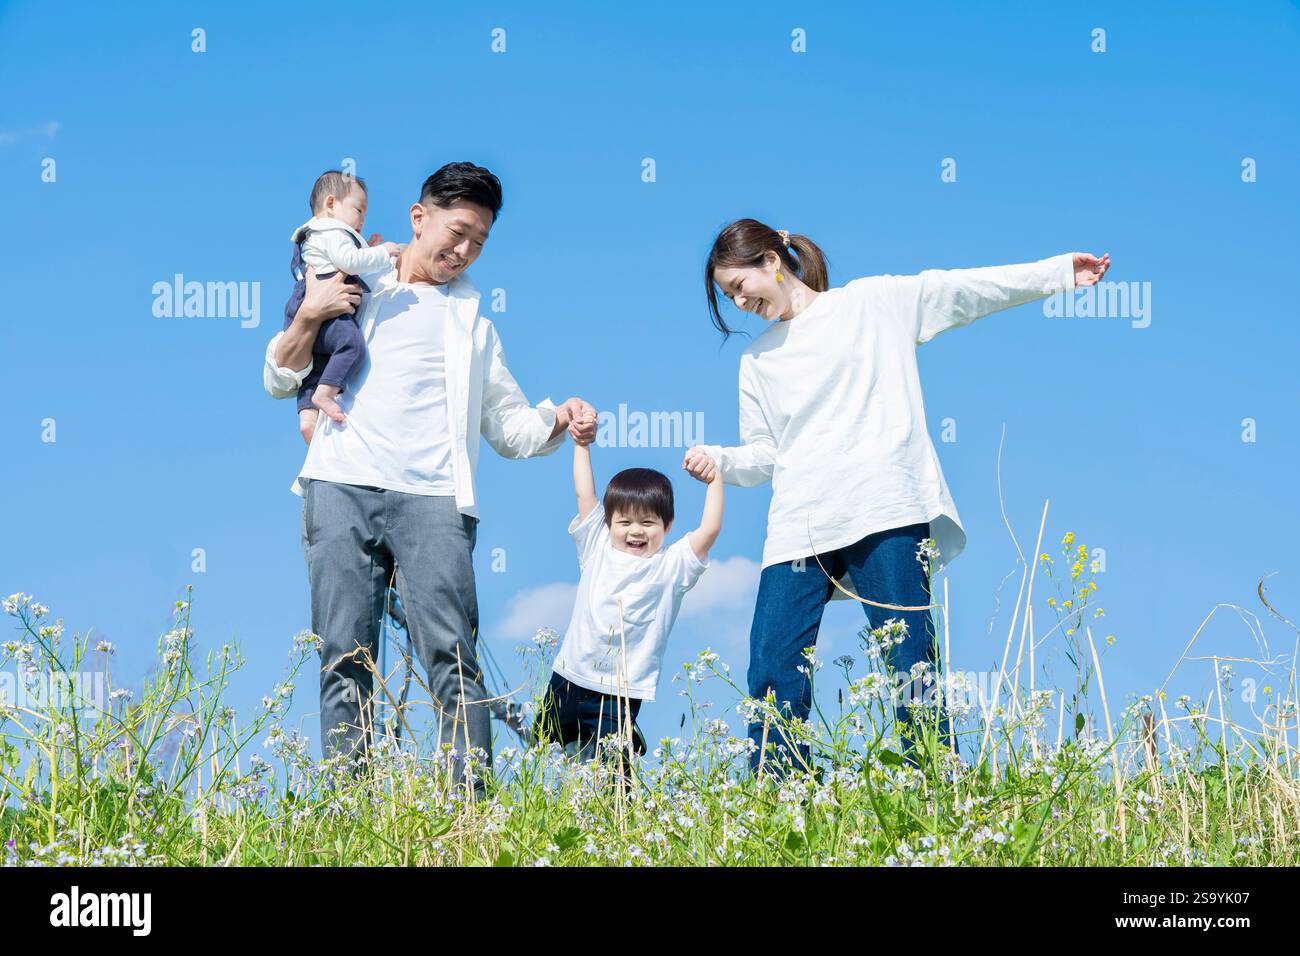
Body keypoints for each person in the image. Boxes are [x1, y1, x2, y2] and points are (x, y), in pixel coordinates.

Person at [684, 218, 1110, 776]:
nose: (740, 303)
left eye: (740, 287)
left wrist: (1055, 274)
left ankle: (932, 788)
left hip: (883, 506)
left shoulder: (872, 304)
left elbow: (963, 290)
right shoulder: (757, 361)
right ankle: (779, 799)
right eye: (729, 297)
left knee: (909, 662)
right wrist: (722, 459)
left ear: (771, 260)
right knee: (771, 664)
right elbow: (764, 453)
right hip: (798, 525)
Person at [262, 162, 597, 791]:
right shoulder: (359, 282)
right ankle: (346, 813)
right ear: (419, 218)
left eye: (479, 242)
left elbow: (513, 430)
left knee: (453, 658)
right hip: (341, 484)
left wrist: (562, 414)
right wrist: (309, 316)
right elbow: (278, 379)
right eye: (458, 231)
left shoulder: (473, 324)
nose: (464, 251)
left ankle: (469, 813)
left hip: (436, 501)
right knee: (344, 655)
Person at [535, 413, 722, 774]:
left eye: (648, 522)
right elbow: (583, 493)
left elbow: (710, 529)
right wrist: (581, 445)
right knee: (549, 756)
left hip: (619, 691)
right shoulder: (596, 547)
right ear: (609, 524)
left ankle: (620, 818)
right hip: (569, 676)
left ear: (667, 526)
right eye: (624, 522)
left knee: (615, 777)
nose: (635, 531)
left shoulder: (672, 567)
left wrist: (715, 480)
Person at [283, 170, 402, 443]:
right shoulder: (333, 230)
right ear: (331, 204)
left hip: (302, 305)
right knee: (351, 346)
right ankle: (324, 394)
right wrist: (382, 253)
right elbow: (348, 261)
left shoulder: (319, 233)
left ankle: (307, 414)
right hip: (326, 304)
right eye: (358, 210)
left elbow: (350, 257)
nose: (362, 219)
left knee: (319, 362)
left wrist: (367, 249)